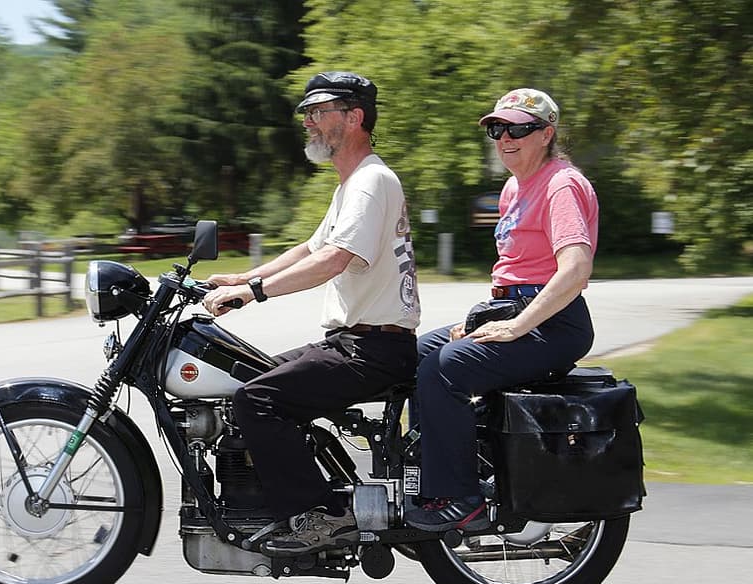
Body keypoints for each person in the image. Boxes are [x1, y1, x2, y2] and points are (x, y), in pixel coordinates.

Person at [202, 71, 420, 555]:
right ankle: (278, 501)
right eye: (307, 113)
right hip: (356, 341)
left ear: (355, 117)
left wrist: (254, 293)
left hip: (373, 348)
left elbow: (333, 260)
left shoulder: (371, 181)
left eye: (319, 112)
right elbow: (310, 248)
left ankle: (319, 516)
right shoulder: (353, 184)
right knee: (246, 376)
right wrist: (242, 277)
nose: (308, 122)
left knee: (257, 400)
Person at [404, 88, 599, 532]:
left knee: (444, 369)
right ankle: (431, 476)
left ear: (546, 133)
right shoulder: (514, 187)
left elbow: (575, 269)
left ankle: (461, 499)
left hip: (553, 323)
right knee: (411, 356)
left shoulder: (561, 184)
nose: (505, 139)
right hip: (512, 311)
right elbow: (517, 272)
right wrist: (482, 320)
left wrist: (516, 326)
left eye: (518, 129)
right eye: (497, 129)